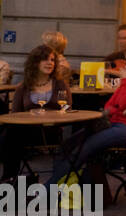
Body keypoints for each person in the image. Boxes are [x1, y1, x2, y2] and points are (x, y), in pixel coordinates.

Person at [50, 52, 126, 185]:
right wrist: (120, 108)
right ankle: (62, 185)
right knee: (67, 145)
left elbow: (124, 104)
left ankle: (49, 189)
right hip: (112, 124)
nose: (125, 68)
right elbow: (109, 106)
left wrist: (123, 86)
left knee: (83, 149)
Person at [0, 46, 74, 183]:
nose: (50, 62)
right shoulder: (25, 86)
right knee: (10, 131)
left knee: (9, 135)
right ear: (35, 62)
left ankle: (8, 178)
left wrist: (54, 114)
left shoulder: (59, 85)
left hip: (51, 132)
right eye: (45, 59)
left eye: (52, 60)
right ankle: (9, 178)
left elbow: (67, 108)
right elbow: (15, 114)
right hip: (27, 132)